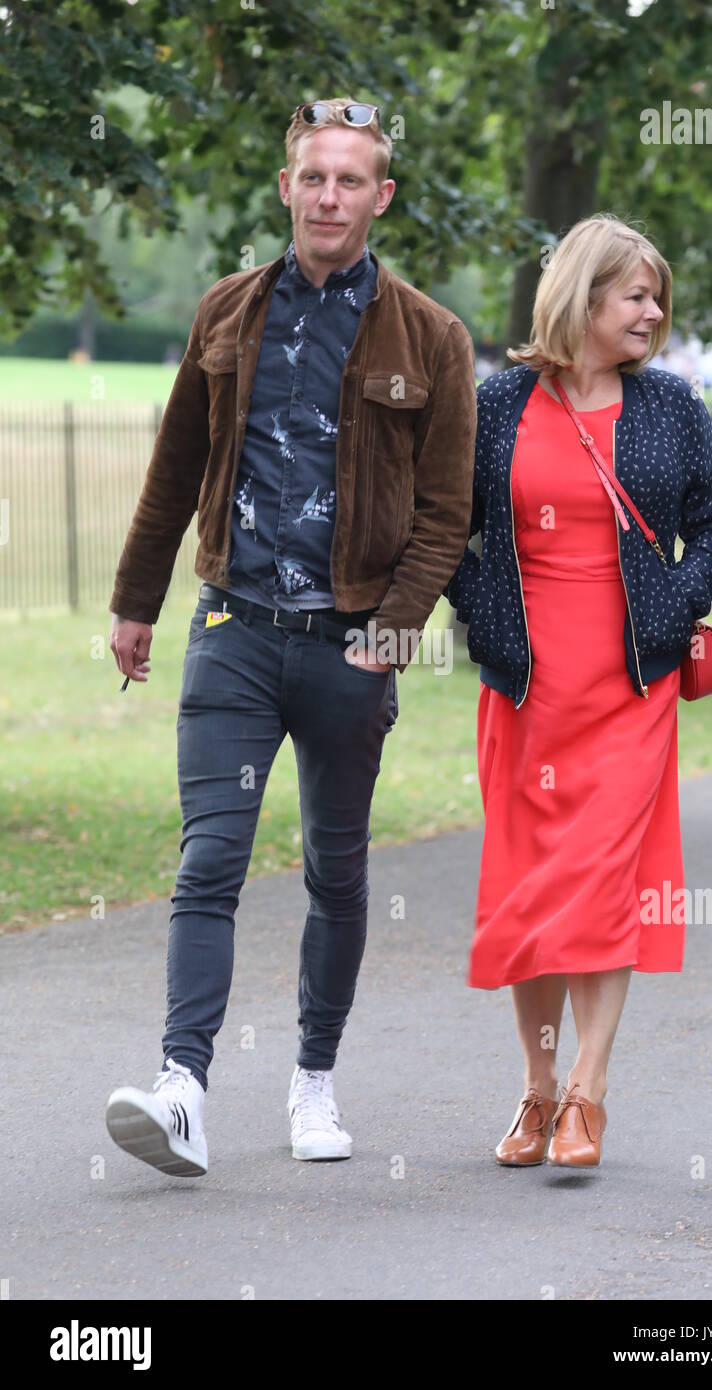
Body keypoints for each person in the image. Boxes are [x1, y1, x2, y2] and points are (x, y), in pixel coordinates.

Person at [104, 97, 477, 1175]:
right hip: (232, 624)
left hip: (348, 643)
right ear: (286, 187)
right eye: (313, 176)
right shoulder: (227, 311)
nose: (329, 196)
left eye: (351, 180)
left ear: (381, 197)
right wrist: (136, 601)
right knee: (210, 857)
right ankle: (182, 1090)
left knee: (337, 871)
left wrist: (393, 633)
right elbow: (177, 465)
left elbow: (446, 513)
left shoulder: (433, 336)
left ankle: (314, 1078)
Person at [444, 214, 712, 1169]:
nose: (653, 312)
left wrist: (672, 609)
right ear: (582, 296)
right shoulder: (498, 404)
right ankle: (536, 1093)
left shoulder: (672, 407)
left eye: (658, 297)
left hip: (630, 682)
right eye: (636, 295)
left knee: (606, 879)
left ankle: (588, 1093)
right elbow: (444, 523)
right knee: (534, 890)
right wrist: (476, 614)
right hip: (528, 686)